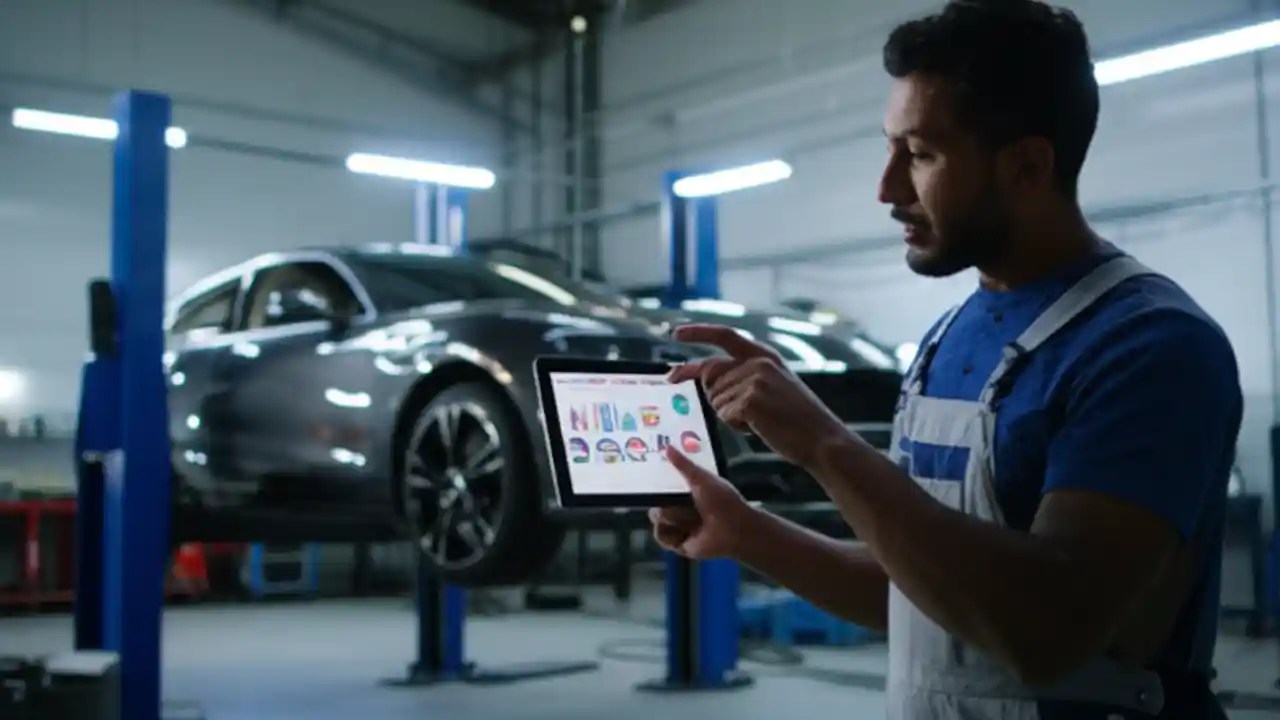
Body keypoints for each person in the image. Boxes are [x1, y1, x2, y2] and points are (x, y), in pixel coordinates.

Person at [650, 1, 1244, 718]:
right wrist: (746, 532)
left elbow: (1049, 631)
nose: (887, 188)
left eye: (921, 155)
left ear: (1027, 167)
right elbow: (925, 591)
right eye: (891, 149)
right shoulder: (948, 339)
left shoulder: (1150, 347)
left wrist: (822, 443)